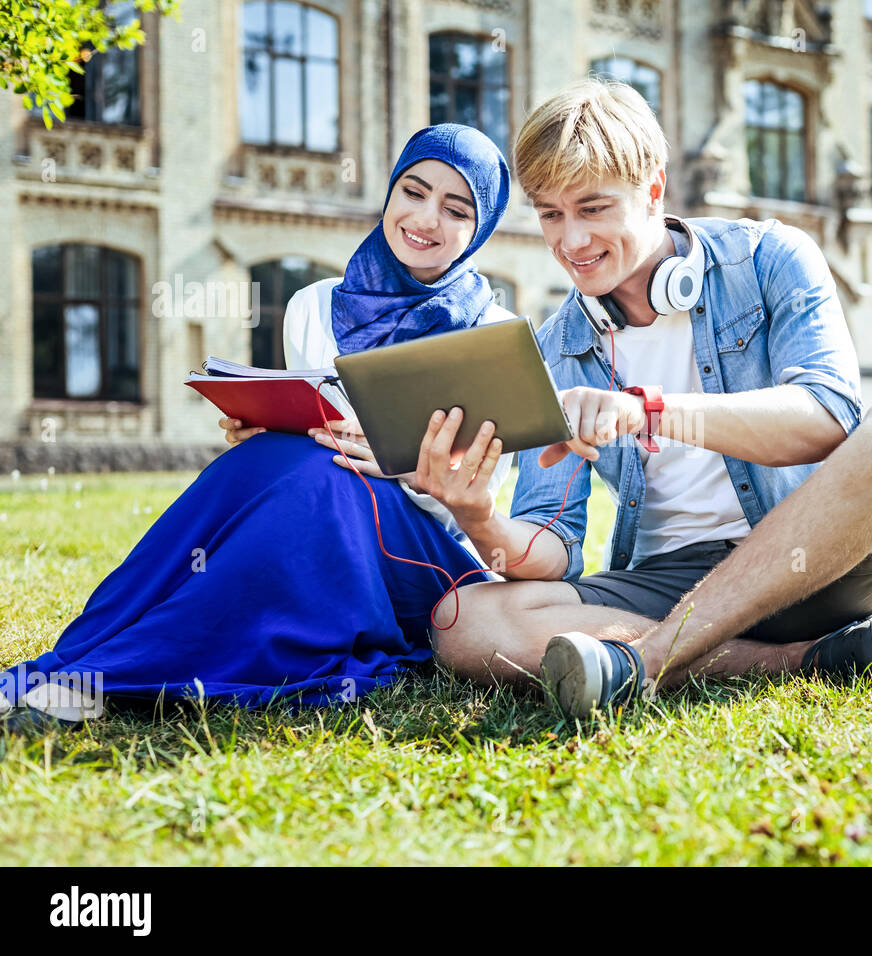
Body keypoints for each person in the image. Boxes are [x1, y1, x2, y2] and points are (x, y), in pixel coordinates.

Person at [404, 79, 872, 717]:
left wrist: (650, 409)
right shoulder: (556, 347)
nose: (570, 242)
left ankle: (644, 663)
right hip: (672, 578)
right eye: (550, 213)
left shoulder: (771, 257)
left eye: (593, 208)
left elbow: (825, 419)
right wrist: (478, 516)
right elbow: (556, 547)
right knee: (462, 619)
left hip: (818, 558)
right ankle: (810, 660)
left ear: (654, 190)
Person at [1, 124, 513, 723]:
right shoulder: (315, 305)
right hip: (320, 505)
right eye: (413, 191)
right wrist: (271, 426)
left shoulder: (491, 334)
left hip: (414, 552)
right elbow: (316, 419)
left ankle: (123, 675)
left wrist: (399, 460)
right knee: (253, 462)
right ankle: (83, 652)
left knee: (321, 474)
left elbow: (468, 506)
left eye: (456, 209)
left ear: (479, 230)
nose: (425, 218)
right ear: (390, 194)